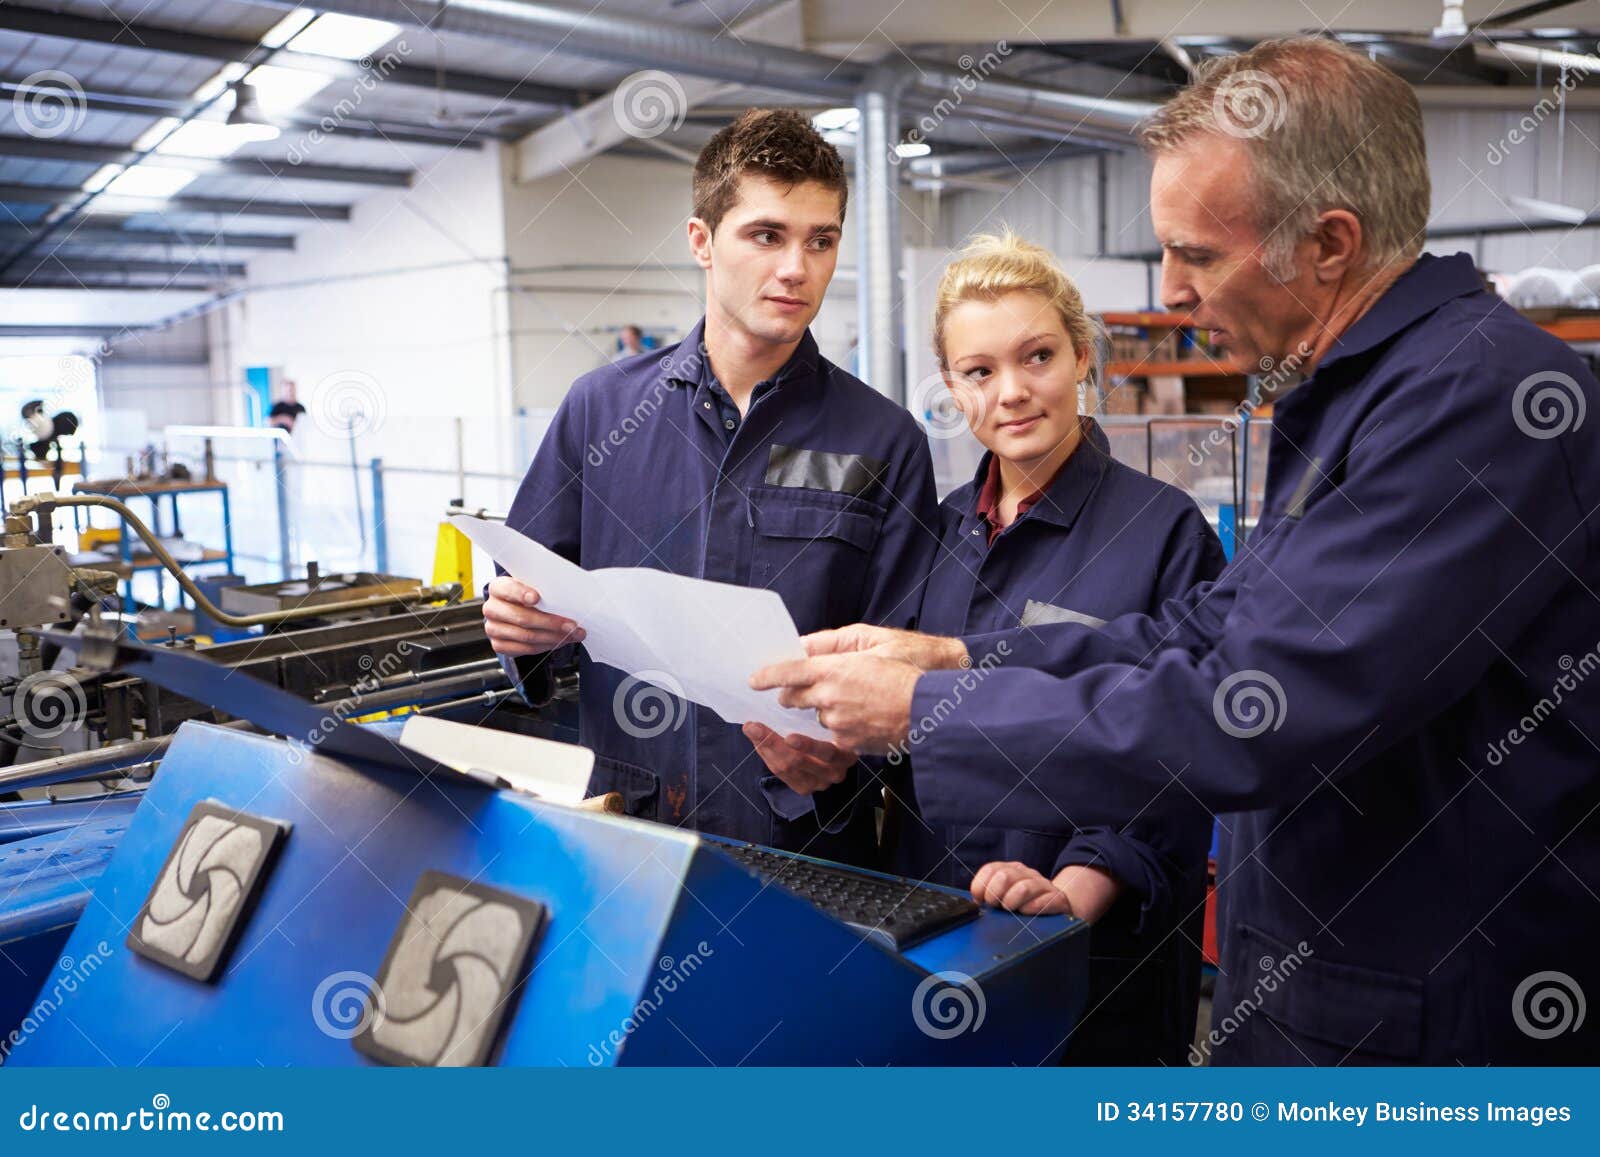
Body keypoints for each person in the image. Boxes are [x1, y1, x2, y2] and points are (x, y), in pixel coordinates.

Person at [752, 38, 1600, 1064]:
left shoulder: (1473, 401)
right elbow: (1204, 631)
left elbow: (1257, 702)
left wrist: (926, 711)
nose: (1170, 290)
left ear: (1328, 243)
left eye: (1195, 254)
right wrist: (959, 659)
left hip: (1426, 1030)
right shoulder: (1347, 399)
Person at [485, 109, 938, 867]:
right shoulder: (600, 411)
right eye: (767, 235)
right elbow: (525, 592)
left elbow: (908, 670)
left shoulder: (885, 443)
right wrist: (515, 629)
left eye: (820, 240)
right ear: (702, 241)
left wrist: (849, 763)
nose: (797, 267)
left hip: (804, 848)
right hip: (626, 832)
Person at [893, 229, 1226, 1064]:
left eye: (1036, 356)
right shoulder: (938, 536)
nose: (1011, 391)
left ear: (1082, 357)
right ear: (953, 390)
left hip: (1091, 965)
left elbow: (1189, 749)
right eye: (979, 371)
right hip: (933, 945)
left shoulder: (1163, 533)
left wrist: (1081, 883)